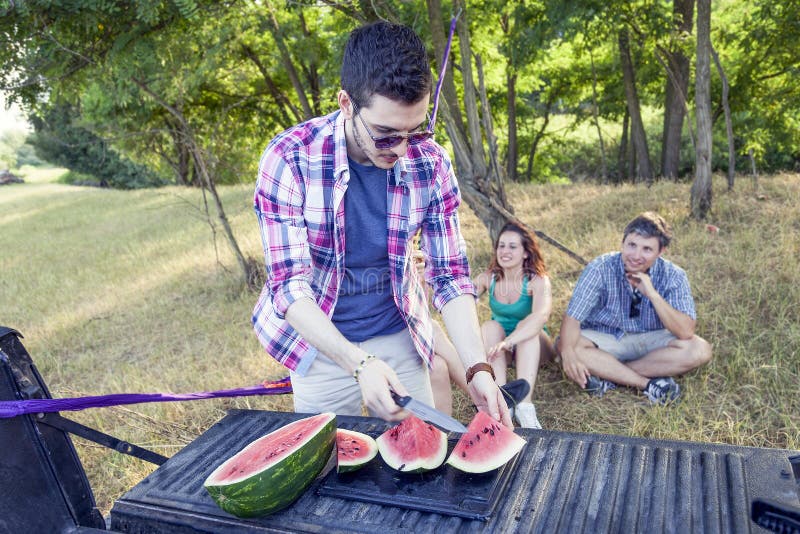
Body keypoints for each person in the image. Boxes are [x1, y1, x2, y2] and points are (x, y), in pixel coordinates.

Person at [252, 21, 511, 427]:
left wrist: (477, 367)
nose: (403, 149)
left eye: (415, 130)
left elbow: (450, 276)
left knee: (416, 460)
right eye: (386, 134)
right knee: (326, 470)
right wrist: (358, 363)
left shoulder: (430, 161)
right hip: (320, 343)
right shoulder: (289, 159)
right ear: (346, 104)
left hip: (400, 331)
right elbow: (289, 288)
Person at [557, 212, 712, 404]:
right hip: (607, 336)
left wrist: (653, 295)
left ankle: (610, 373)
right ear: (622, 243)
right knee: (569, 346)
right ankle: (646, 384)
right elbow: (573, 318)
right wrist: (567, 355)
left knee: (699, 349)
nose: (636, 256)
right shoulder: (600, 268)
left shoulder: (674, 275)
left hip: (651, 339)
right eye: (632, 245)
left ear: (661, 251)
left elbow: (686, 331)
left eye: (647, 249)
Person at [472, 222, 556, 429]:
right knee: (490, 326)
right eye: (501, 246)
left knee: (529, 326)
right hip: (504, 350)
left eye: (512, 246)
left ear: (526, 252)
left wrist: (509, 341)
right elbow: (460, 298)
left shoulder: (538, 281)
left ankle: (525, 406)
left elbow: (541, 316)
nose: (504, 251)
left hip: (534, 347)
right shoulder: (488, 278)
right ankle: (502, 399)